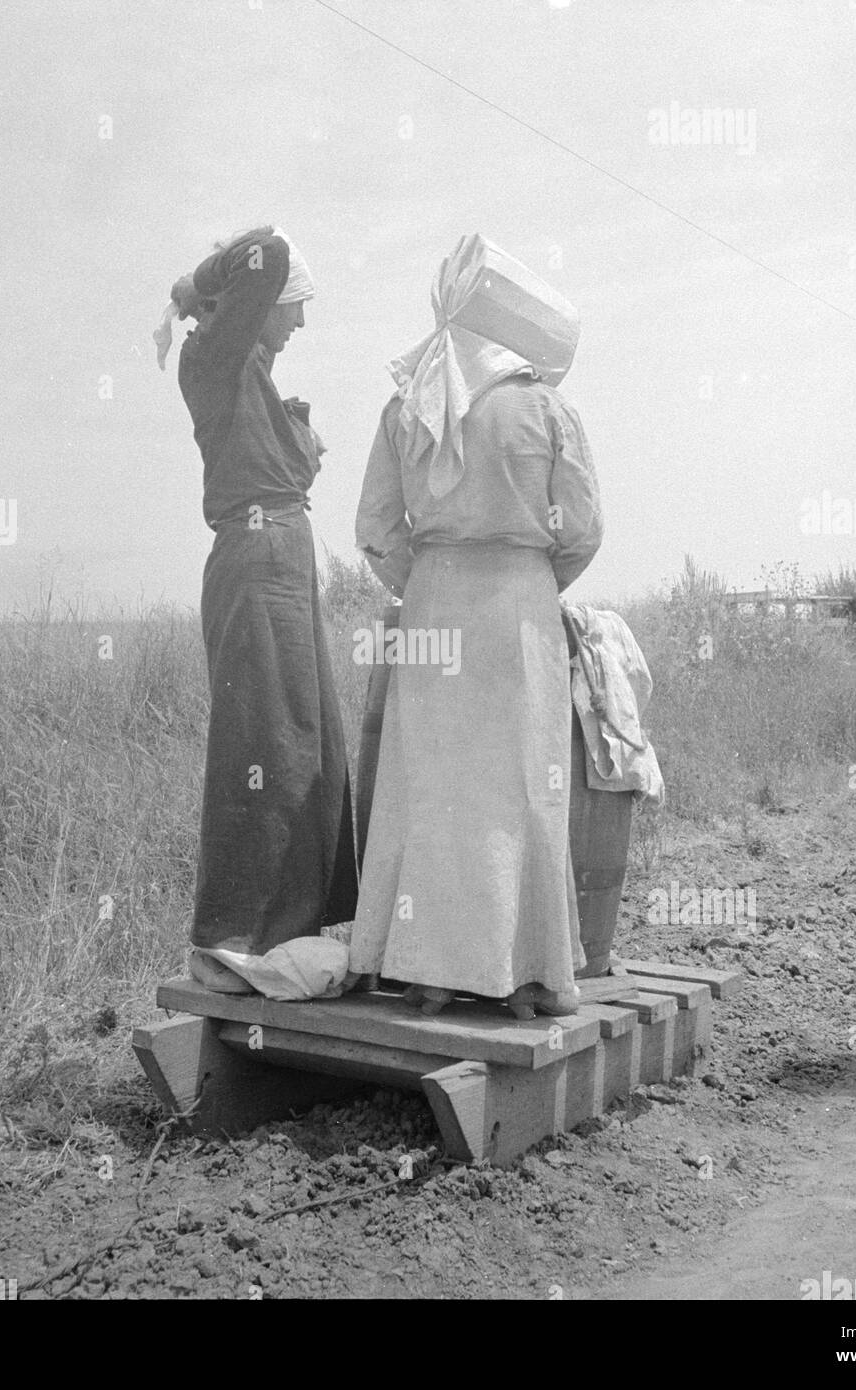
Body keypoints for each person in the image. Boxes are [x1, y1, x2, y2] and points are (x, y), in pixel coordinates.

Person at [350, 238, 602, 1018]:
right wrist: (527, 580)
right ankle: (529, 974)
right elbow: (583, 529)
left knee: (433, 786)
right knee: (523, 786)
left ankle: (426, 971)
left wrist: (430, 582)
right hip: (517, 606)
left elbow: (377, 529)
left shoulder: (409, 403)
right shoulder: (546, 408)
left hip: (433, 604)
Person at [155, 225, 358, 988]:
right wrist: (192, 281)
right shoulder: (215, 352)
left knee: (300, 736)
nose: (299, 320)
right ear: (255, 303)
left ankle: (281, 931)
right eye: (293, 305)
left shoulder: (248, 369)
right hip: (258, 555)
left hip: (277, 556)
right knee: (262, 737)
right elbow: (266, 252)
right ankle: (235, 936)